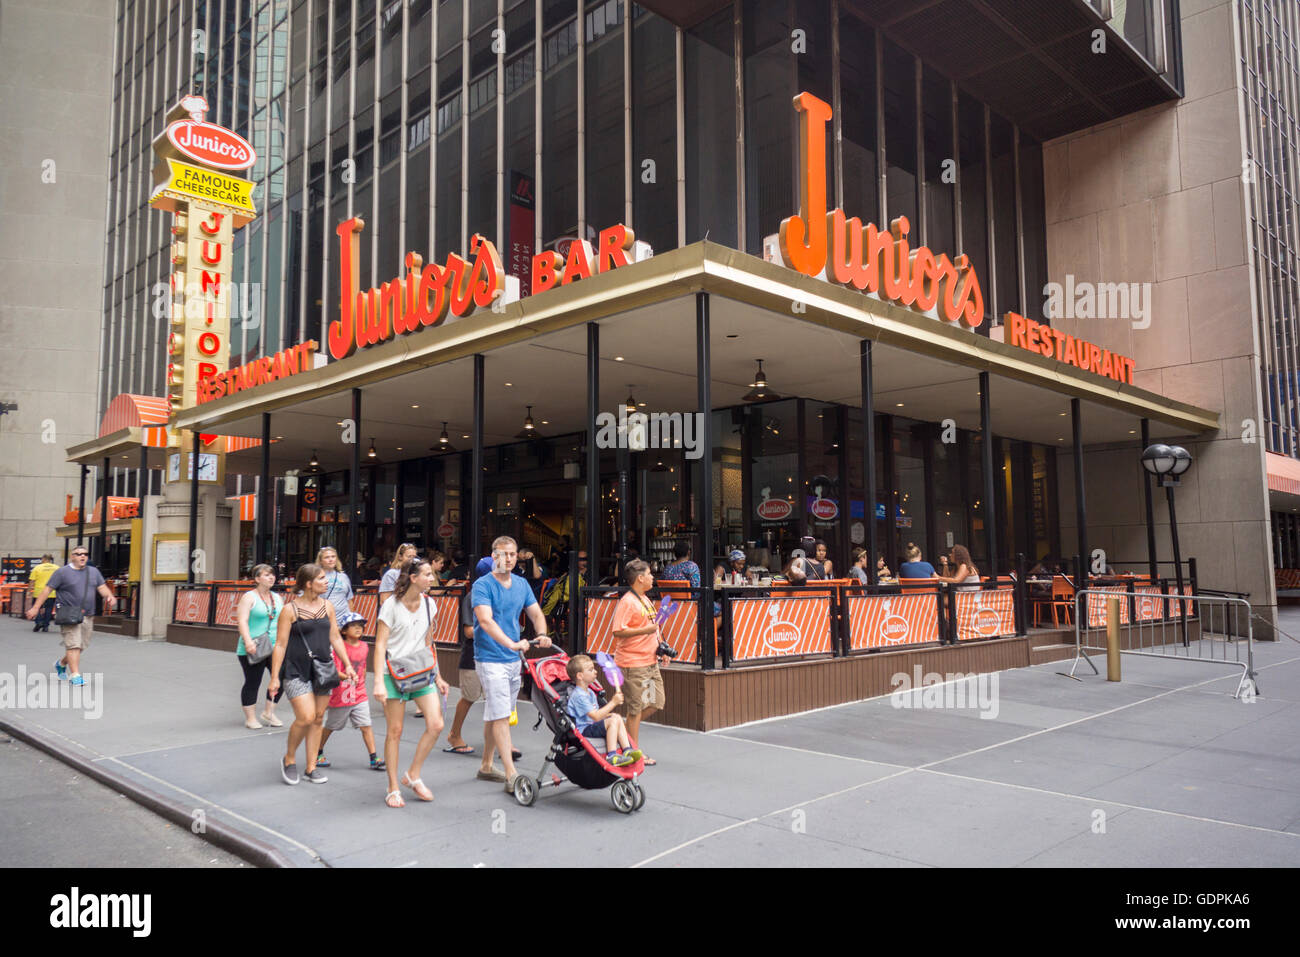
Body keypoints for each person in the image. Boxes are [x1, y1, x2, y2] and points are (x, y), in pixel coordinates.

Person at [472, 536, 553, 792]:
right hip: (490, 657)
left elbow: (536, 612)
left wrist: (541, 633)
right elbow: (485, 621)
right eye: (502, 554)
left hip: (512, 658)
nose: (507, 559)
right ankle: (511, 774)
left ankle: (486, 765)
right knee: (501, 715)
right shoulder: (482, 585)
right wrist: (512, 643)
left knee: (499, 713)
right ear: (493, 555)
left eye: (512, 554)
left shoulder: (521, 584)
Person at [268, 564, 357, 785]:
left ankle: (311, 766)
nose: (326, 582)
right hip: (296, 669)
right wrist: (274, 677)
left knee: (317, 718)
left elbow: (336, 637)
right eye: (321, 579)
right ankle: (289, 758)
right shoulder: (290, 610)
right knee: (306, 717)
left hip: (323, 668)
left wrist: (347, 664)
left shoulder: (328, 606)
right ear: (308, 583)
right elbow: (280, 644)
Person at [373, 557, 450, 807]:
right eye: (427, 574)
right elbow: (380, 644)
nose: (431, 578)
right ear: (413, 578)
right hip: (393, 672)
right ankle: (393, 787)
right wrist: (378, 683)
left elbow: (429, 642)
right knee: (395, 731)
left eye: (431, 574)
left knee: (436, 724)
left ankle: (413, 774)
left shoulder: (430, 605)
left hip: (421, 670)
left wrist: (438, 675)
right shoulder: (391, 606)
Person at [25, 545, 117, 686]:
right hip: (68, 614)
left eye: (85, 554)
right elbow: (47, 590)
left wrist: (109, 596)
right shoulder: (62, 573)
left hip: (87, 614)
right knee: (73, 644)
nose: (82, 556)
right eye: (78, 554)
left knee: (81, 646)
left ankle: (61, 663)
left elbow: (102, 587)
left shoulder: (93, 572)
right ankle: (75, 675)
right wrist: (35, 608)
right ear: (72, 556)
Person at [610, 559, 672, 765]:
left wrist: (662, 648)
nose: (653, 577)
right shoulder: (628, 601)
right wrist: (646, 631)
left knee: (656, 702)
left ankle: (622, 730)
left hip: (650, 660)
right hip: (633, 662)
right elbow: (618, 631)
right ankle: (632, 750)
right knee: (635, 708)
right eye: (650, 574)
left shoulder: (644, 599)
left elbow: (654, 626)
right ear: (640, 578)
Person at [316, 611, 386, 772]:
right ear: (343, 630)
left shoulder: (364, 646)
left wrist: (360, 679)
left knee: (366, 725)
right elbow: (333, 670)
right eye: (353, 626)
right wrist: (348, 677)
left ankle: (374, 757)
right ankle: (317, 751)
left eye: (360, 626)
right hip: (341, 694)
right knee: (332, 726)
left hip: (359, 693)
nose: (358, 628)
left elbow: (363, 666)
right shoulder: (339, 648)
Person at [564, 655, 641, 766]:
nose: (595, 672)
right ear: (580, 676)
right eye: (590, 670)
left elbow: (598, 714)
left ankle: (627, 749)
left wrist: (610, 715)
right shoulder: (579, 696)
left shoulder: (589, 692)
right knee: (612, 720)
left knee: (616, 717)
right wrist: (613, 702)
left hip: (592, 725)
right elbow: (595, 716)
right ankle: (611, 755)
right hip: (584, 730)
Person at [234, 563, 284, 729]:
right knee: (253, 681)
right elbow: (242, 620)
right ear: (257, 579)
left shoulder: (277, 597)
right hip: (254, 646)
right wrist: (247, 641)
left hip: (275, 646)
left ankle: (269, 712)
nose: (271, 577)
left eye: (272, 575)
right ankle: (250, 718)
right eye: (266, 575)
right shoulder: (249, 597)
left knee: (281, 678)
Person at [316, 546, 354, 623]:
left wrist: (351, 619)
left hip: (343, 620)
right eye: (326, 557)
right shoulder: (314, 576)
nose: (330, 560)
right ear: (320, 561)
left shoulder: (343, 577)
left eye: (333, 557)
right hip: (323, 620)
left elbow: (349, 600)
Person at [28, 554, 59, 632]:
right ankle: (46, 626)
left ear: (44, 559)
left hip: (39, 592)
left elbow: (32, 581)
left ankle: (39, 622)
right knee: (49, 609)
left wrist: (29, 591)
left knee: (37, 607)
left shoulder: (37, 568)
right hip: (52, 592)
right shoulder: (57, 568)